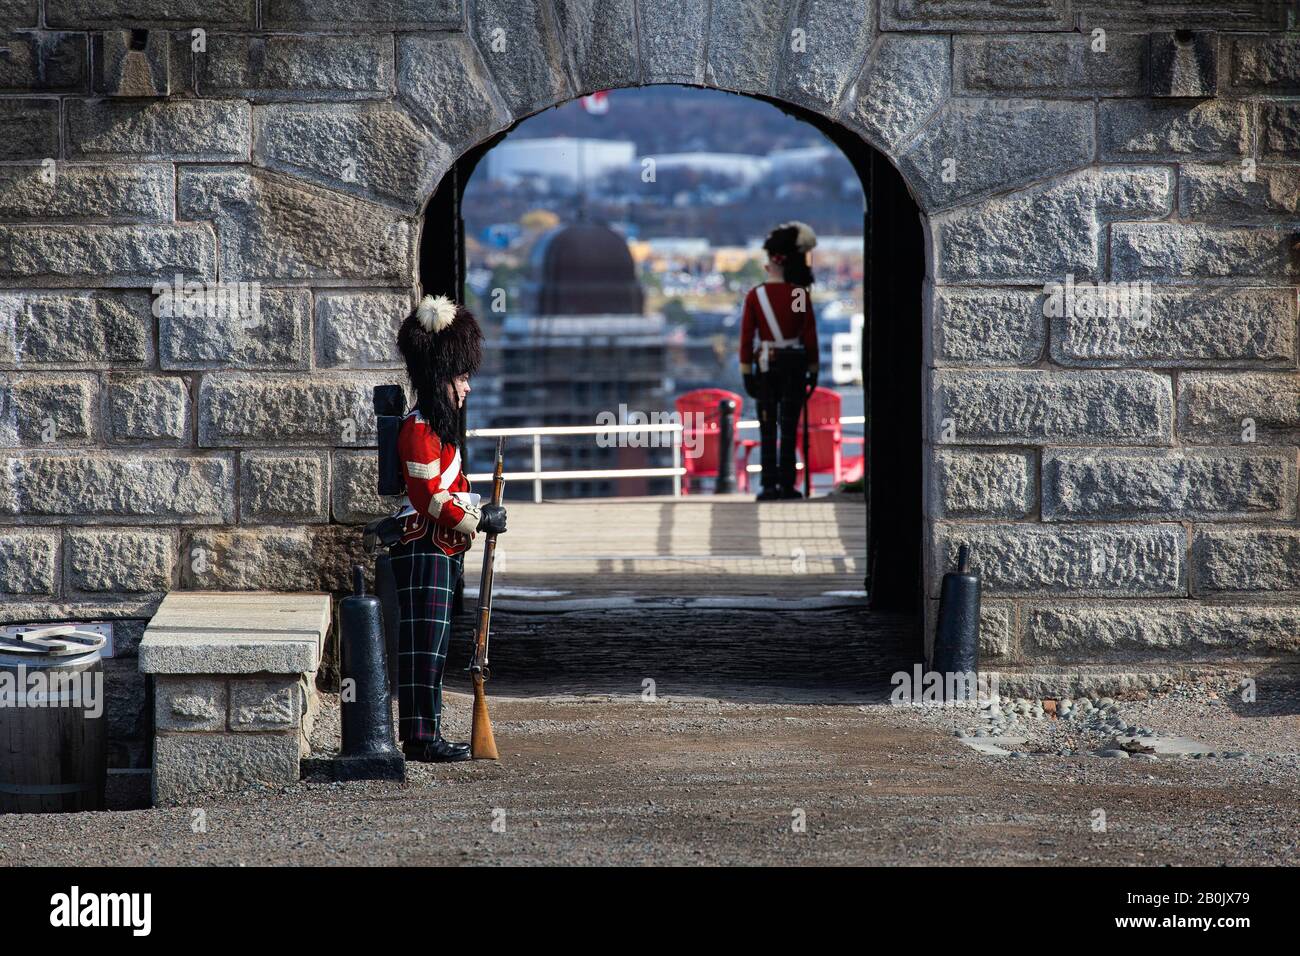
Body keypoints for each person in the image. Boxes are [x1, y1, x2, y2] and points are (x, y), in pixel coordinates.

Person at [390, 294, 508, 762]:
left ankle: (427, 733)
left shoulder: (436, 431)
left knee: (433, 648)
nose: (466, 389)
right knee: (424, 649)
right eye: (461, 378)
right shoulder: (419, 430)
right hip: (424, 548)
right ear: (441, 379)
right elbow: (430, 499)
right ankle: (421, 738)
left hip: (439, 550)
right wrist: (481, 518)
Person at [738, 221, 819, 500]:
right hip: (795, 365)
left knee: (767, 426)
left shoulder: (756, 296)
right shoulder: (798, 294)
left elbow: (747, 338)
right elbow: (808, 334)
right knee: (789, 427)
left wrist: (746, 370)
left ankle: (768, 484)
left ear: (772, 260)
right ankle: (787, 483)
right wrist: (814, 368)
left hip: (766, 364)